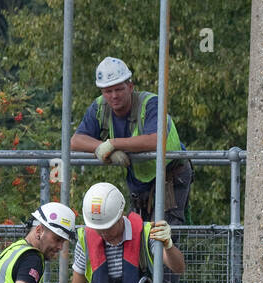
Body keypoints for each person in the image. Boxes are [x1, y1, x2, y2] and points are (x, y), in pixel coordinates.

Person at [70, 56, 192, 225]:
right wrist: (101, 148)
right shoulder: (100, 108)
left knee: (163, 234)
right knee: (136, 233)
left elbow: (155, 140)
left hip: (170, 174)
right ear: (102, 92)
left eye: (119, 89)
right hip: (139, 180)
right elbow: (76, 141)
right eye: (108, 91)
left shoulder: (151, 104)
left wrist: (113, 144)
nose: (113, 96)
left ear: (130, 86)